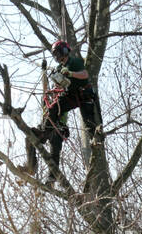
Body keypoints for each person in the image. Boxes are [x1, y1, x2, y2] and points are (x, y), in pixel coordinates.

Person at [24, 39, 100, 180]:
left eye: (59, 53)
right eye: (56, 54)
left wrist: (70, 74)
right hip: (70, 95)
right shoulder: (59, 69)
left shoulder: (74, 62)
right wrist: (47, 72)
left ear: (64, 51)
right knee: (54, 108)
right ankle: (43, 133)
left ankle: (96, 142)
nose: (58, 57)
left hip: (83, 94)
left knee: (89, 124)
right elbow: (49, 87)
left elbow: (85, 75)